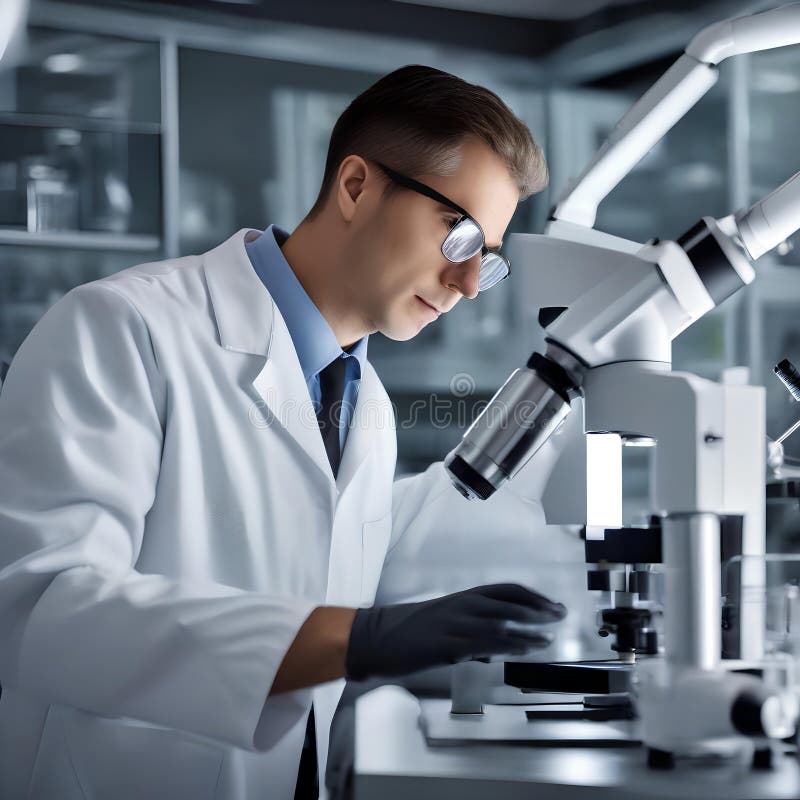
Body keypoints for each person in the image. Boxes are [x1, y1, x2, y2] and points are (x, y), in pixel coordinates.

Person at [0, 65, 563, 800]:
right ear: (356, 186)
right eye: (459, 235)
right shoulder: (123, 327)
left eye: (487, 259)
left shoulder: (365, 401)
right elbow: (40, 609)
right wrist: (352, 640)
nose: (466, 284)